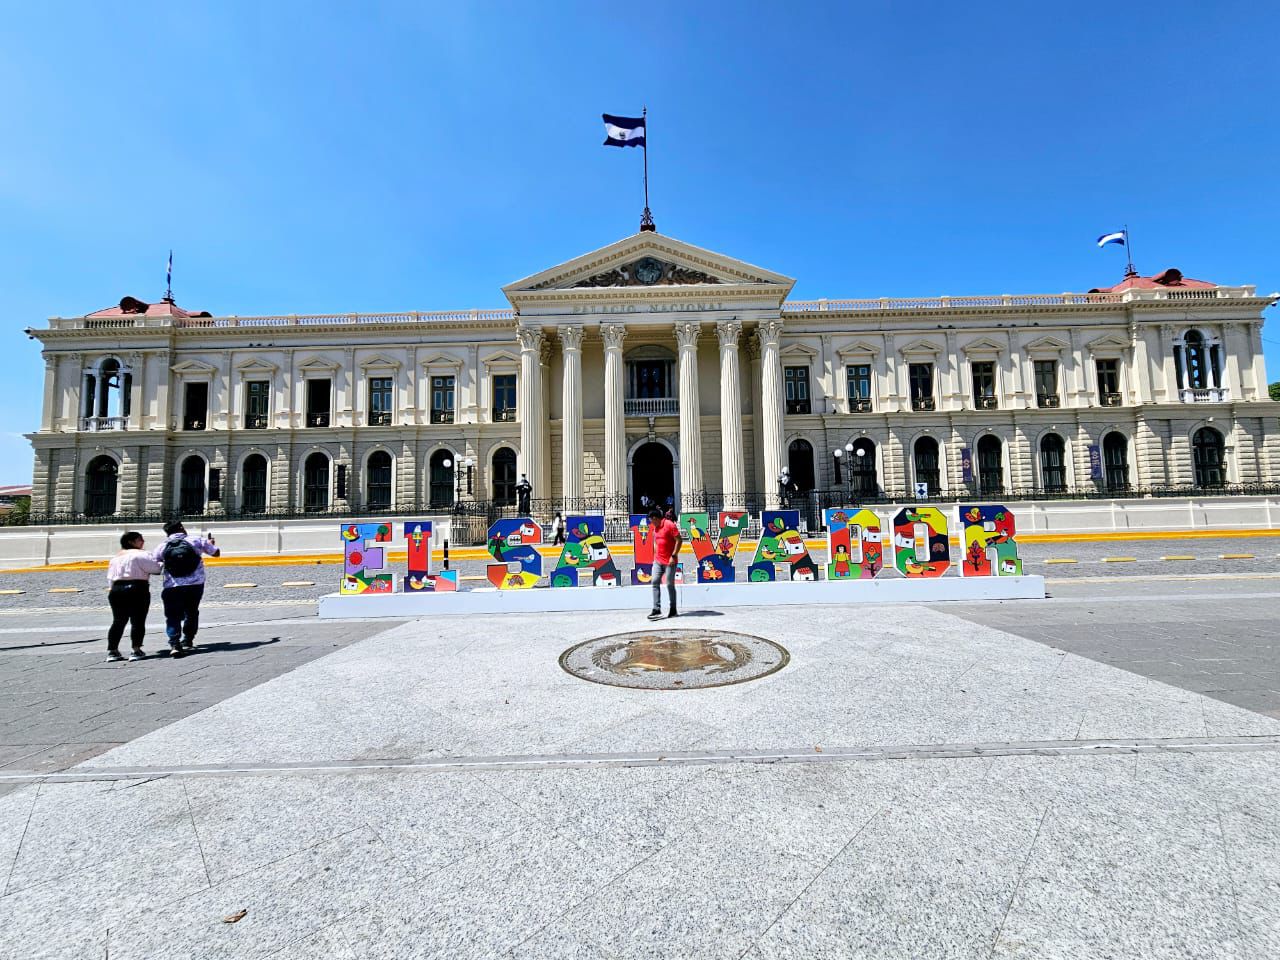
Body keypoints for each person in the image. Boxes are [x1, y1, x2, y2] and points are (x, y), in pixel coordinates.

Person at [153, 521, 220, 658]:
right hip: (195, 584)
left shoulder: (162, 546)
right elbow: (216, 553)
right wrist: (211, 544)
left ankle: (174, 643)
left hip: (172, 586)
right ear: (181, 528)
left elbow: (155, 565)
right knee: (191, 611)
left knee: (172, 615)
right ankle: (188, 640)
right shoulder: (196, 540)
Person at [105, 531, 163, 662]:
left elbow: (110, 578)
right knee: (138, 620)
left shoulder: (115, 558)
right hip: (137, 588)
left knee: (118, 621)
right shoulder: (141, 554)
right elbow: (156, 569)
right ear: (131, 542)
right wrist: (161, 562)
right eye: (140, 540)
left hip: (116, 590)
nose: (143, 542)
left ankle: (112, 651)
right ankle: (136, 650)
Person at [647, 506, 683, 621]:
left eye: (651, 520)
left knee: (669, 584)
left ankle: (673, 609)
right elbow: (656, 542)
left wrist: (674, 555)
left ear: (655, 518)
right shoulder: (655, 528)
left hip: (670, 562)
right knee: (655, 582)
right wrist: (655, 555)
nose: (650, 523)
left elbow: (679, 540)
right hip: (658, 561)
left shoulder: (669, 525)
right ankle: (656, 609)